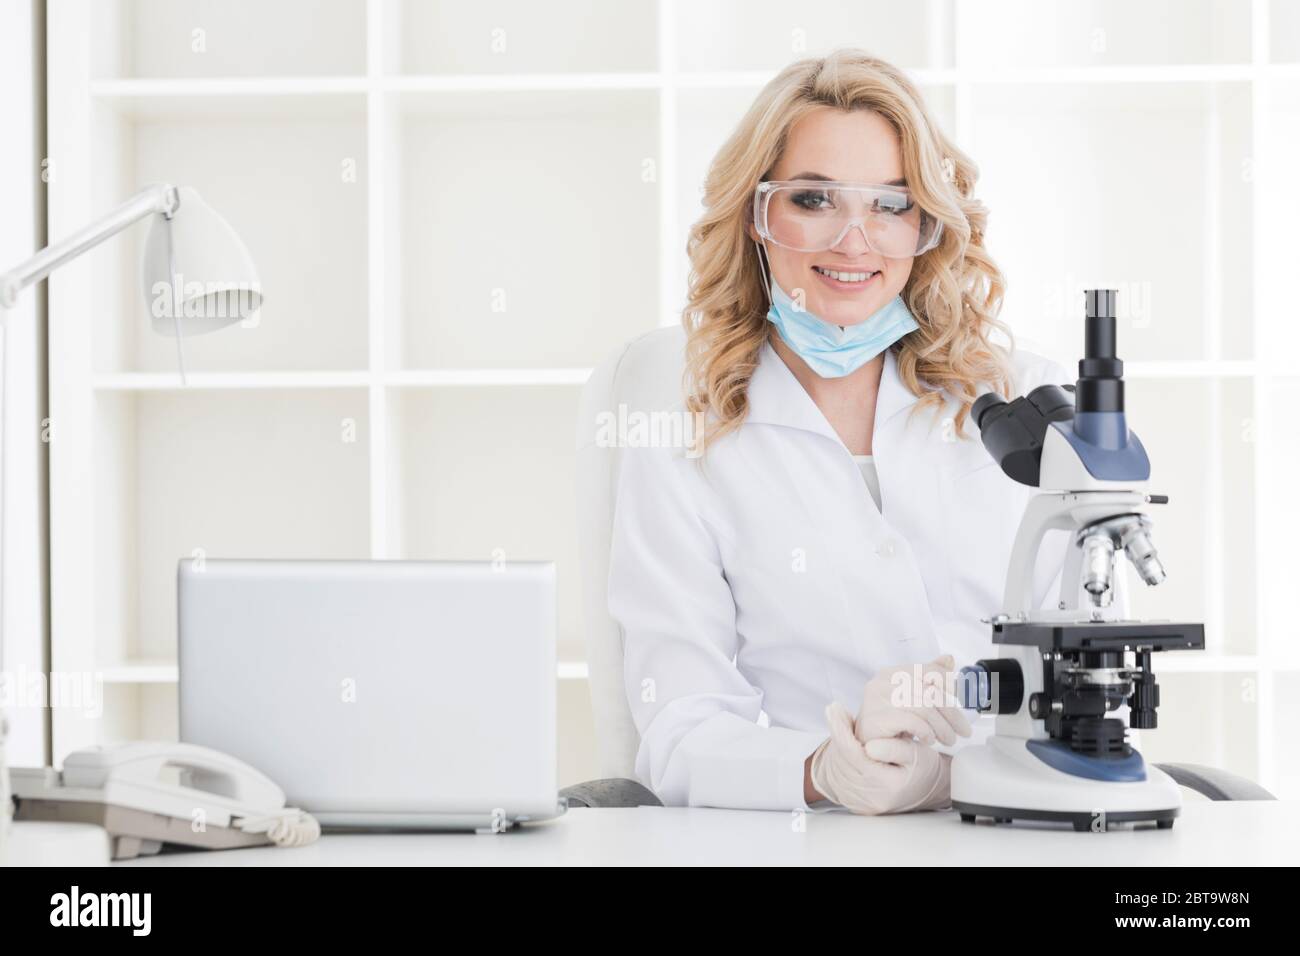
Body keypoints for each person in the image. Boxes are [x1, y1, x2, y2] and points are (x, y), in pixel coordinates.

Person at [607, 49, 1072, 813]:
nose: (855, 242)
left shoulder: (1024, 402)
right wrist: (825, 769)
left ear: (927, 225)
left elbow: (1095, 686)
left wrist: (957, 779)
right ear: (756, 217)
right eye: (815, 199)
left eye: (891, 205)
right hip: (807, 838)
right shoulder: (684, 429)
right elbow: (679, 728)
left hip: (1015, 825)